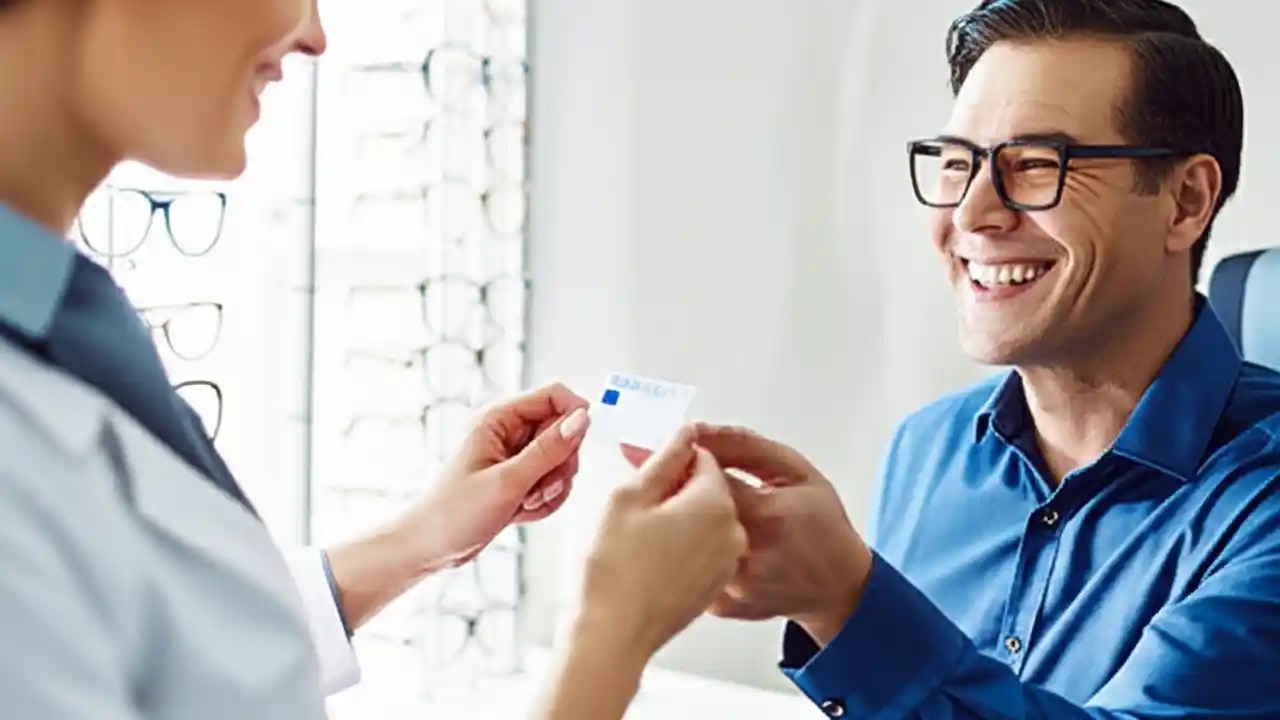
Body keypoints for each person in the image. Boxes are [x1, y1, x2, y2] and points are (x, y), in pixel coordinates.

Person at [0, 1, 744, 718]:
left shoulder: (66, 323)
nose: (313, 34)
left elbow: (153, 643)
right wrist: (611, 638)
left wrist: (423, 541)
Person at [618, 1, 1280, 717]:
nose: (971, 213)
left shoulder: (1260, 503)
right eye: (958, 164)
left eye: (1034, 166)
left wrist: (844, 602)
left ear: (1185, 201)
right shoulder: (926, 452)